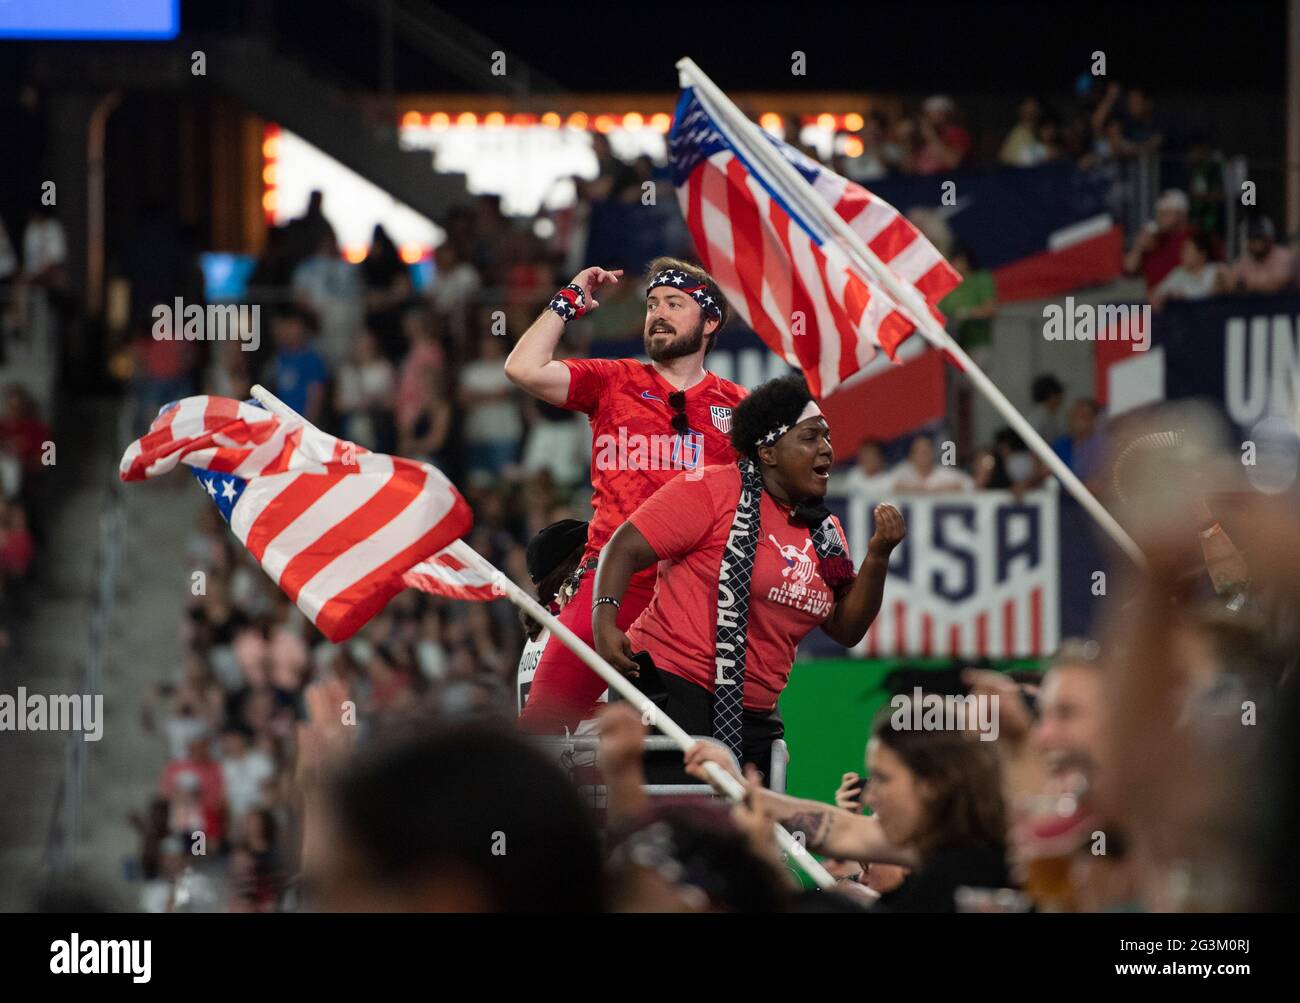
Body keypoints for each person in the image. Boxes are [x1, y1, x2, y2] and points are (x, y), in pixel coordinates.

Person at [591, 374, 906, 781]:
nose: (827, 448)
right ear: (769, 452)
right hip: (672, 694)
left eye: (827, 437)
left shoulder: (825, 532)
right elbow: (624, 546)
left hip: (756, 715)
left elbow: (846, 628)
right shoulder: (713, 490)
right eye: (810, 437)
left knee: (745, 838)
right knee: (680, 833)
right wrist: (604, 620)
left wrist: (878, 556)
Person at [505, 257, 747, 734]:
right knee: (541, 729)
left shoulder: (739, 407)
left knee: (698, 746)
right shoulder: (613, 380)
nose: (658, 313)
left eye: (675, 304)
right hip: (608, 582)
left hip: (693, 594)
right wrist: (571, 297)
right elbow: (522, 368)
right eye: (652, 303)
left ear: (710, 319)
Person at [686, 697, 1012, 912]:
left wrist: (764, 869)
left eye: (883, 779)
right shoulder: (947, 844)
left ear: (933, 785)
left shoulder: (961, 880)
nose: (870, 797)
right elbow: (842, 829)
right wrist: (738, 787)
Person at [1123, 189, 1191, 292]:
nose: (1160, 218)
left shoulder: (1194, 238)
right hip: (1156, 304)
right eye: (1159, 213)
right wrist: (1138, 247)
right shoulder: (1153, 240)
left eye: (1166, 214)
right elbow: (1129, 270)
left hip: (1188, 301)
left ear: (1181, 215)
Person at [1220, 215, 1294, 295]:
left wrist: (1244, 285)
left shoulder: (1283, 255)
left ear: (1269, 239)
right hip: (1252, 305)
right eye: (1251, 239)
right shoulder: (1245, 259)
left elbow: (1278, 284)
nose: (1255, 243)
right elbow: (1231, 284)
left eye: (1258, 238)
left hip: (1281, 304)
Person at [1151, 231, 1220, 309]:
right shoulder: (1178, 273)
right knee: (1138, 312)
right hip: (1181, 319)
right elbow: (1157, 293)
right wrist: (1160, 297)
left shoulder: (1215, 270)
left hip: (1209, 317)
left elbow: (1210, 294)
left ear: (1202, 255)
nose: (1183, 255)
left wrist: (1182, 294)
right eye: (1183, 251)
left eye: (1188, 251)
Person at [891, 434, 973, 492]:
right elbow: (881, 485)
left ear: (933, 452)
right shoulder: (902, 472)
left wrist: (949, 488)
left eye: (926, 451)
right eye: (919, 451)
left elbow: (970, 485)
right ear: (911, 455)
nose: (923, 454)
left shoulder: (945, 473)